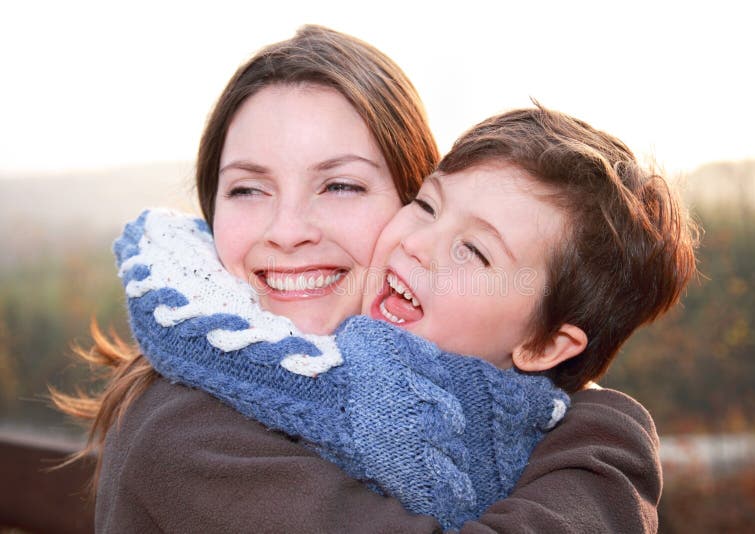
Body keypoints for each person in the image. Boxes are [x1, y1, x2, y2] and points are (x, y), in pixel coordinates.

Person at [54, 25, 692, 533]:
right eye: (247, 188)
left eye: (339, 184)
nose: (288, 229)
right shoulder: (190, 433)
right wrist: (606, 433)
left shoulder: (464, 385)